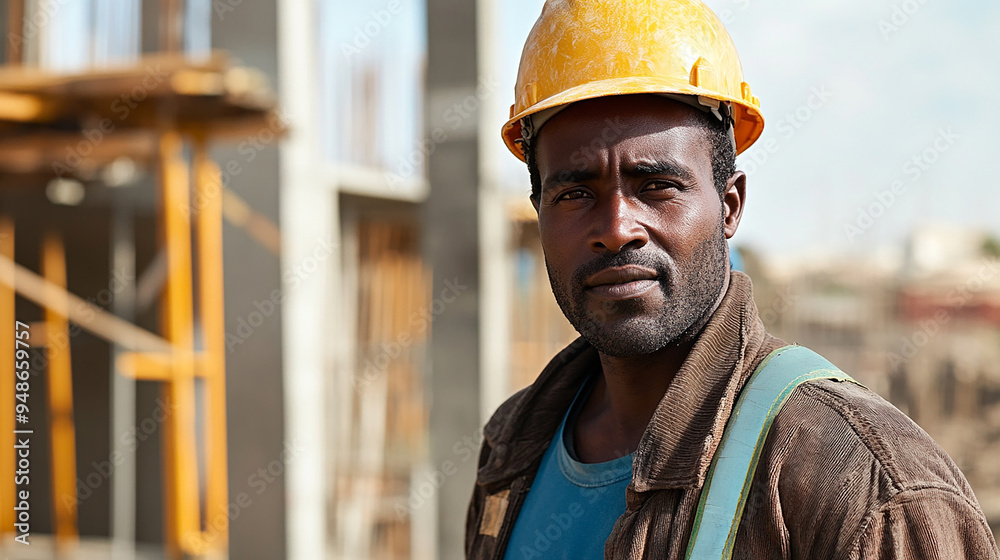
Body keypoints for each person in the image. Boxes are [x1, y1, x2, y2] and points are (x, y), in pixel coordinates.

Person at [465, 1, 1000, 559]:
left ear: (729, 205)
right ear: (539, 212)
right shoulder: (512, 449)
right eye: (575, 194)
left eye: (657, 187)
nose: (617, 229)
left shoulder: (861, 484)